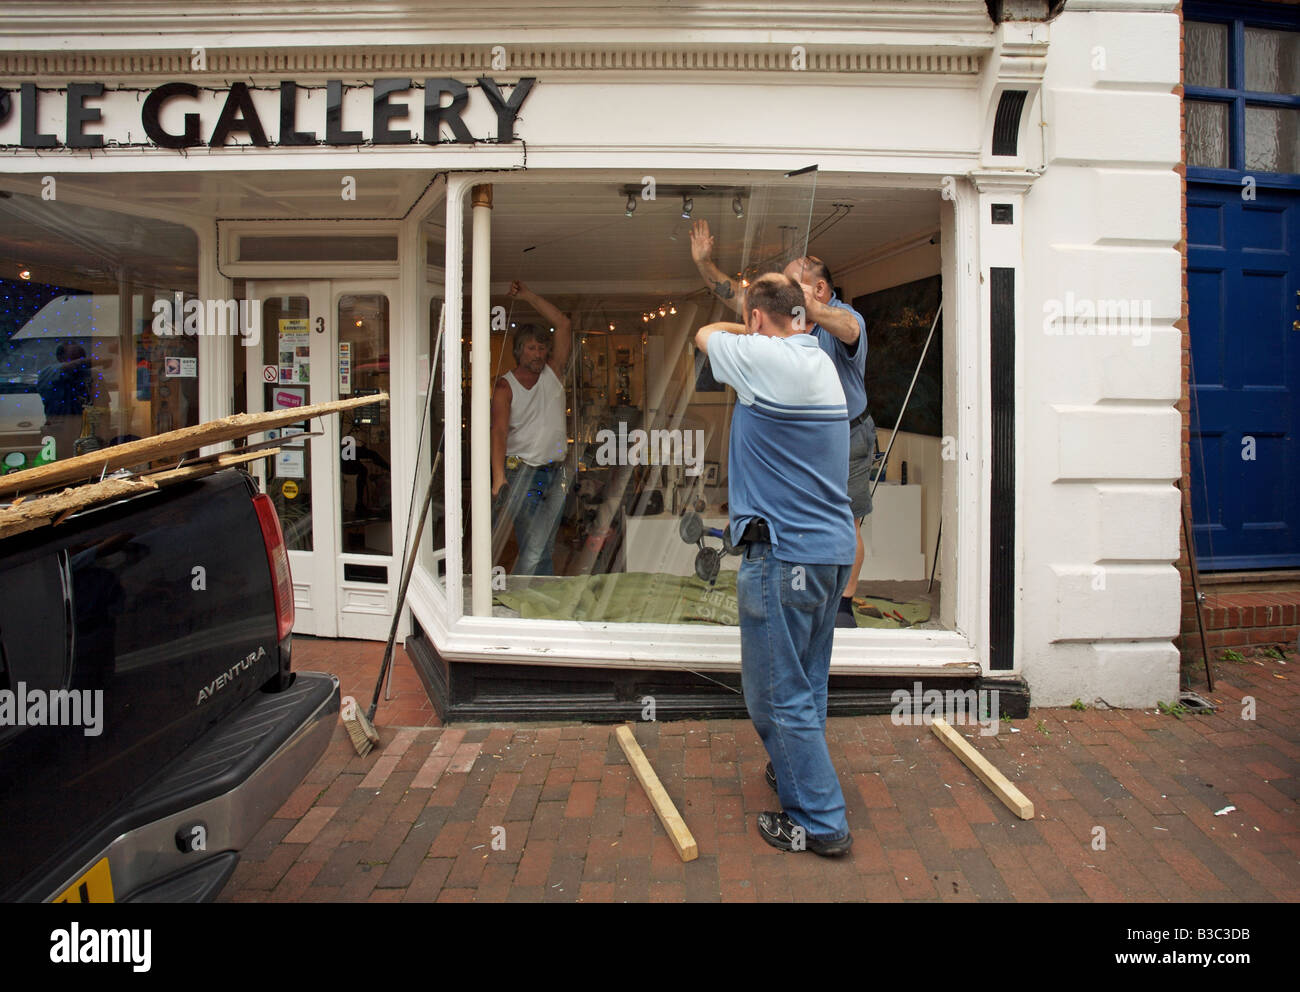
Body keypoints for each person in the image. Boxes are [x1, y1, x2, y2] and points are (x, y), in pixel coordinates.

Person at [695, 272, 856, 856]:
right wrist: (776, 318)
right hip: (830, 555)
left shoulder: (767, 361)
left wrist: (749, 322)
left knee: (773, 695)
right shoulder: (818, 363)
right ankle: (796, 774)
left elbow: (703, 333)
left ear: (759, 321)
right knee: (807, 684)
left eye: (752, 318)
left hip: (785, 554)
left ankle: (819, 821)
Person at [690, 220, 872, 627]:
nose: (788, 293)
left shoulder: (840, 317)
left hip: (847, 432)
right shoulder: (781, 324)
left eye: (795, 284)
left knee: (844, 516)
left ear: (819, 289)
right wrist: (705, 264)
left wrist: (807, 312)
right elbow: (741, 298)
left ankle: (842, 606)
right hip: (797, 431)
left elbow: (850, 329)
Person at [490, 280, 573, 576]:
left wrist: (527, 295)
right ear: (518, 351)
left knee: (544, 543)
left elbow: (562, 324)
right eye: (531, 348)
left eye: (541, 348)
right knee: (536, 545)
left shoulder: (554, 372)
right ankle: (523, 599)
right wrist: (498, 477)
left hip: (556, 471)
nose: (538, 353)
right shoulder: (505, 386)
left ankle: (536, 604)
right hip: (521, 471)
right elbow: (498, 432)